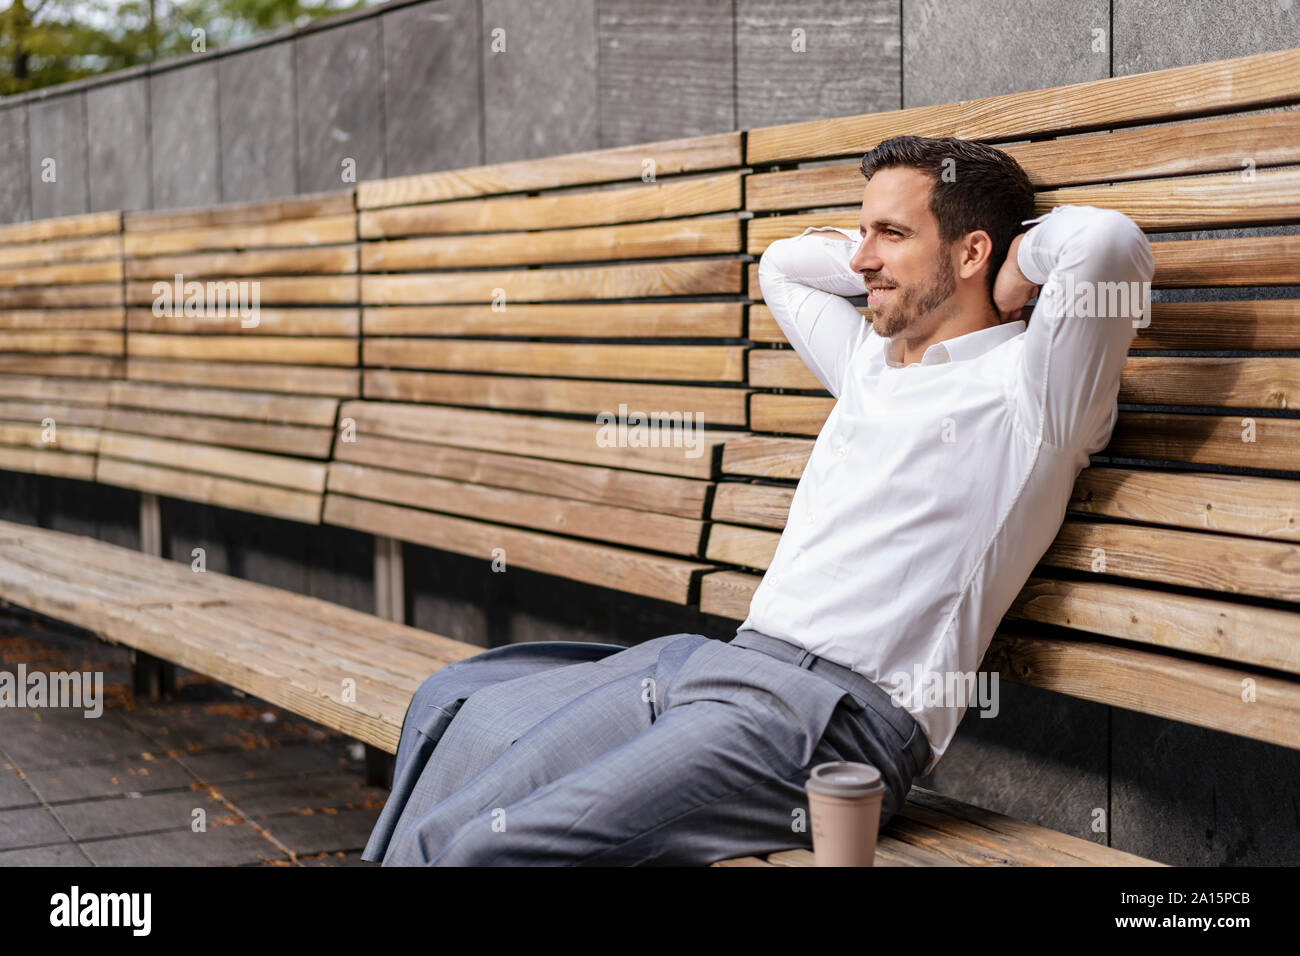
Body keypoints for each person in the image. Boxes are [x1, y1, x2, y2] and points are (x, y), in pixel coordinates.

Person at [361, 135, 1154, 866]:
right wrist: (894, 259)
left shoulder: (1036, 394)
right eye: (861, 234)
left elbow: (1107, 244)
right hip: (712, 664)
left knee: (491, 852)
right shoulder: (871, 366)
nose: (864, 260)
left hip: (824, 720)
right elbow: (782, 264)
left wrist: (1018, 267)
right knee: (453, 724)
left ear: (974, 249)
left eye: (891, 235)